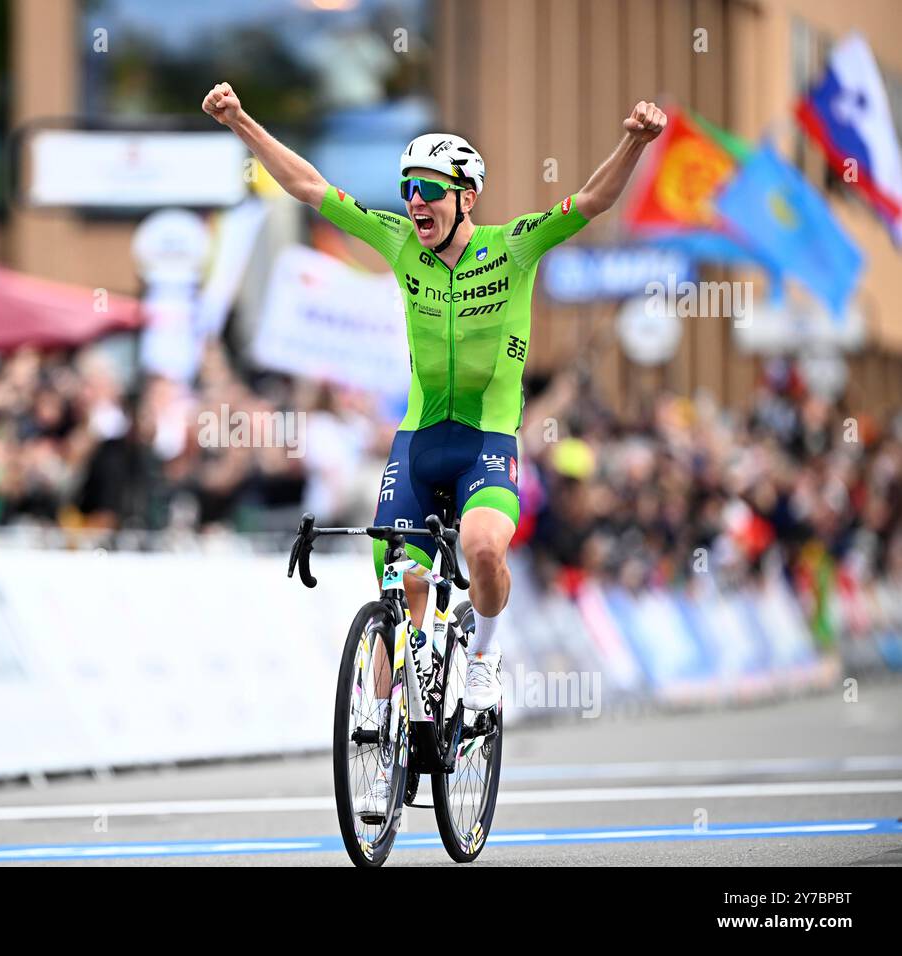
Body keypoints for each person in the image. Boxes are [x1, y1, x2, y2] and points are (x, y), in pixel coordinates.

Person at [203, 80, 665, 816]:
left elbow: (591, 202)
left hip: (485, 439)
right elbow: (309, 184)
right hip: (418, 442)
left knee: (483, 548)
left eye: (429, 189)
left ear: (467, 197)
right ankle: (380, 740)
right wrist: (241, 123)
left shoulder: (514, 247)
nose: (413, 201)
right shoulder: (395, 242)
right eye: (407, 187)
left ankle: (480, 658)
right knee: (400, 589)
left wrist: (636, 142)